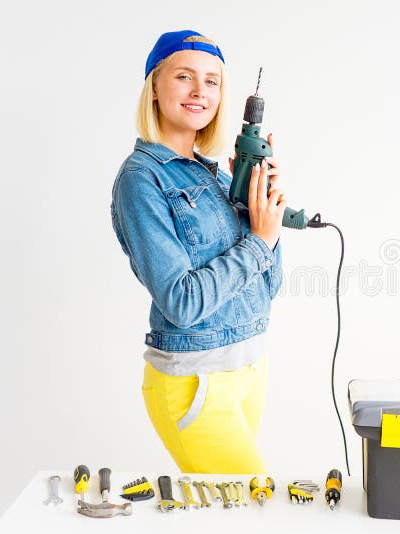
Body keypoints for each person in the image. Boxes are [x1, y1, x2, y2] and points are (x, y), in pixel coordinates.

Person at [110, 29, 287, 473]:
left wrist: (258, 210)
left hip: (249, 369)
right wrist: (258, 242)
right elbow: (181, 302)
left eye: (212, 81)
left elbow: (269, 286)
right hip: (195, 380)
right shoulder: (141, 179)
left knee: (229, 514)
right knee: (251, 508)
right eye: (184, 76)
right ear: (154, 86)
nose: (199, 91)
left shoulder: (214, 178)